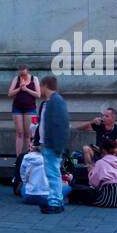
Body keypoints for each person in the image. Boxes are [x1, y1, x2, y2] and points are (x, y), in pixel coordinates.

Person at [37, 75, 69, 214]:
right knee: (52, 173)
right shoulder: (49, 101)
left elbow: (61, 125)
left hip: (52, 145)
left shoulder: (56, 101)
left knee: (53, 174)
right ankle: (56, 200)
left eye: (40, 86)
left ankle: (55, 202)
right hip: (47, 144)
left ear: (44, 85)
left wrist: (57, 146)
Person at [71, 136, 117, 206]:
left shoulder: (101, 162)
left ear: (103, 150)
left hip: (107, 200)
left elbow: (93, 183)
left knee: (79, 190)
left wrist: (91, 170)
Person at [8, 65, 40, 157]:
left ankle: (28, 156)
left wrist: (26, 89)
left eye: (24, 74)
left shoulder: (35, 79)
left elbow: (38, 94)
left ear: (28, 71)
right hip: (17, 108)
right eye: (21, 74)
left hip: (30, 109)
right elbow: (10, 93)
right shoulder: (16, 79)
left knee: (28, 133)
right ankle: (18, 156)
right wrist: (19, 88)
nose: (23, 76)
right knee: (19, 133)